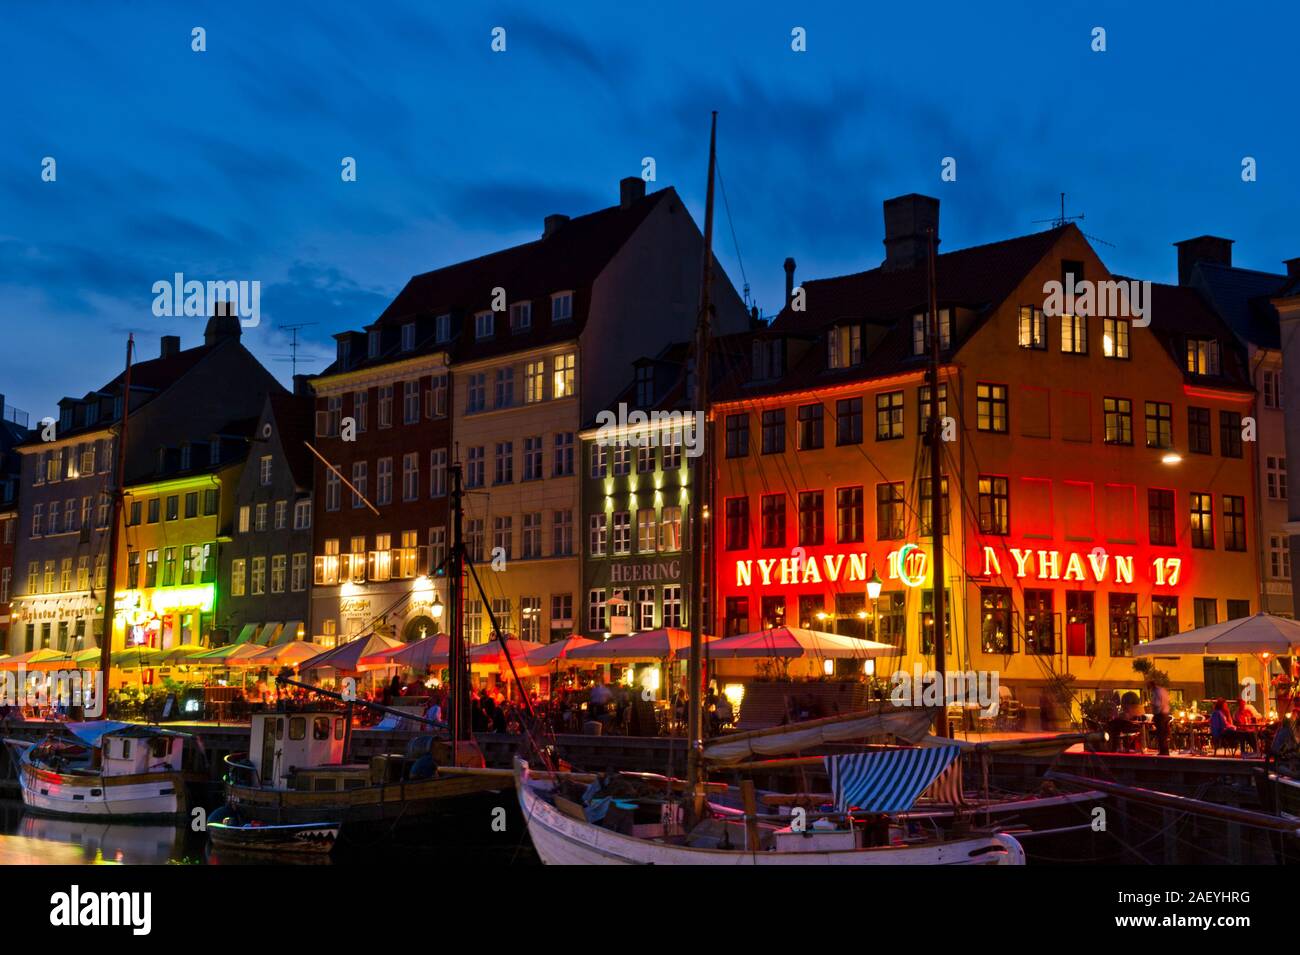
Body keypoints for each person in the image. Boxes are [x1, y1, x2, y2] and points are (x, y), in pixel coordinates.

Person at [1148, 677, 1171, 756]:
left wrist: (1151, 704)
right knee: (1164, 733)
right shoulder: (1163, 690)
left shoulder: (1156, 692)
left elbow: (1157, 703)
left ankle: (1163, 751)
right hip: (1165, 713)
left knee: (1161, 733)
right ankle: (1166, 751)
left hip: (1160, 713)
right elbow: (1167, 700)